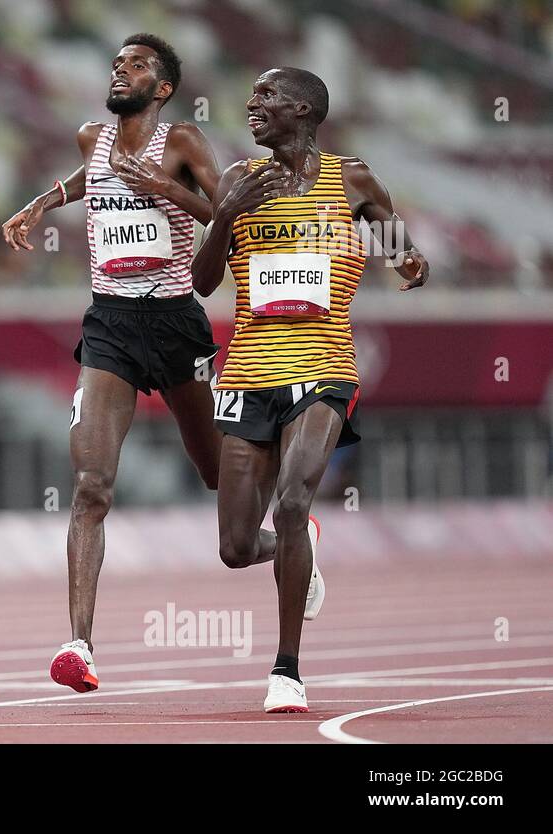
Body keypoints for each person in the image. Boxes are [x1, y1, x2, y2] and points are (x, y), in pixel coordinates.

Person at [190, 67, 429, 712]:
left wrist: (408, 260)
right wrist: (225, 218)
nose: (253, 102)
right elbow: (203, 281)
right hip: (248, 373)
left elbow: (396, 241)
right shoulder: (240, 182)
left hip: (322, 366)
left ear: (304, 109)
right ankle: (302, 551)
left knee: (293, 501)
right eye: (253, 95)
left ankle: (286, 669)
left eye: (267, 95)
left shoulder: (349, 179)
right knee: (237, 548)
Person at [0, 34, 224, 692]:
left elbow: (222, 210)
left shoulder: (181, 141)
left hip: (177, 320)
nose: (120, 69)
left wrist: (158, 184)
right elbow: (88, 177)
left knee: (217, 478)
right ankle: (80, 644)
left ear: (161, 88)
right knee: (92, 485)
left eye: (137, 65)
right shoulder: (88, 137)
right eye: (116, 62)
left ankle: (286, 535)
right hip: (111, 325)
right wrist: (42, 202)